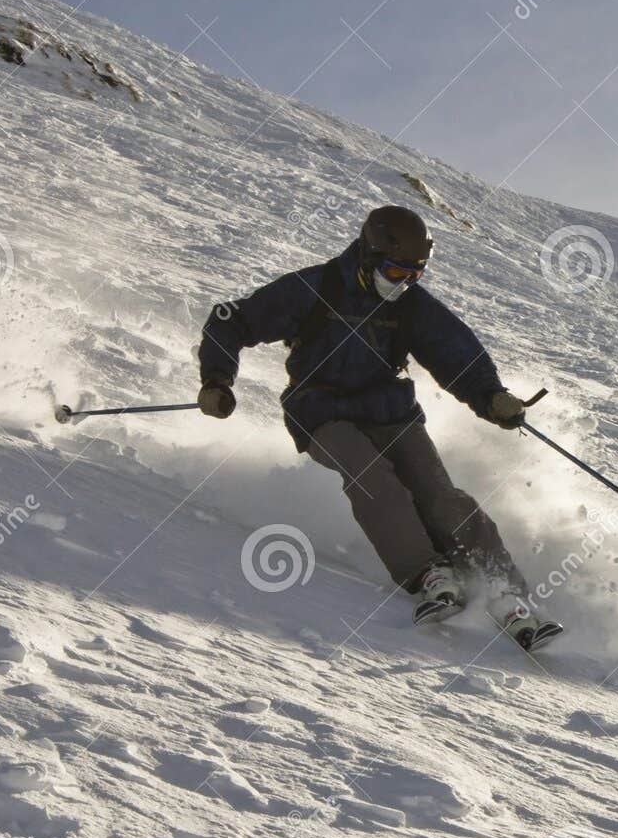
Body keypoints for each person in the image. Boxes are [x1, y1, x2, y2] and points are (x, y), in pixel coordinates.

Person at [197, 206, 562, 650]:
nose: (403, 282)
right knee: (373, 479)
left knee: (438, 494)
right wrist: (217, 381)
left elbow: (456, 354)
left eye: (414, 274)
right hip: (320, 409)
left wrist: (491, 397)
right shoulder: (317, 288)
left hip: (389, 408)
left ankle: (505, 589)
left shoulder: (410, 306)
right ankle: (427, 570)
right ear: (368, 257)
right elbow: (232, 321)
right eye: (394, 270)